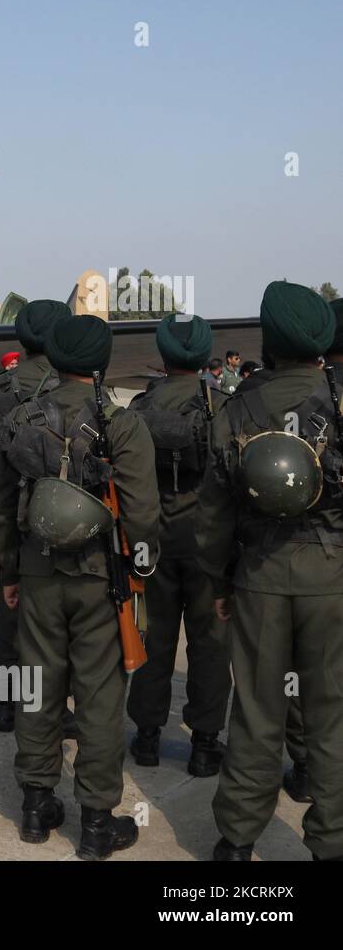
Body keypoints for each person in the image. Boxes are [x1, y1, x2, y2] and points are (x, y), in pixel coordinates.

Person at [0, 315, 160, 859]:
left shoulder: (20, 417)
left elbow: (1, 502)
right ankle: (94, 822)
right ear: (100, 362)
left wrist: (10, 571)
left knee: (36, 686)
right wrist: (137, 572)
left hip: (37, 573)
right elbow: (144, 514)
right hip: (99, 578)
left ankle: (36, 808)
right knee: (101, 697)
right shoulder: (121, 422)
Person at [199, 281, 343, 861]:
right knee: (332, 714)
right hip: (331, 574)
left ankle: (236, 841)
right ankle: (331, 842)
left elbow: (214, 512)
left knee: (257, 709)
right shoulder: (337, 398)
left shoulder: (237, 406)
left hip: (257, 573)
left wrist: (218, 581)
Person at [125, 314, 230, 777]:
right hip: (208, 545)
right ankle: (205, 745)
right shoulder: (223, 405)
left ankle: (147, 736)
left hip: (152, 543)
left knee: (153, 638)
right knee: (209, 645)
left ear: (163, 355)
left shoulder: (139, 407)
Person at [0, 299, 70, 731]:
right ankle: (52, 706)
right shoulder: (67, 387)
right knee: (55, 619)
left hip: (11, 511)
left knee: (8, 608)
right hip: (58, 515)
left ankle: (5, 705)